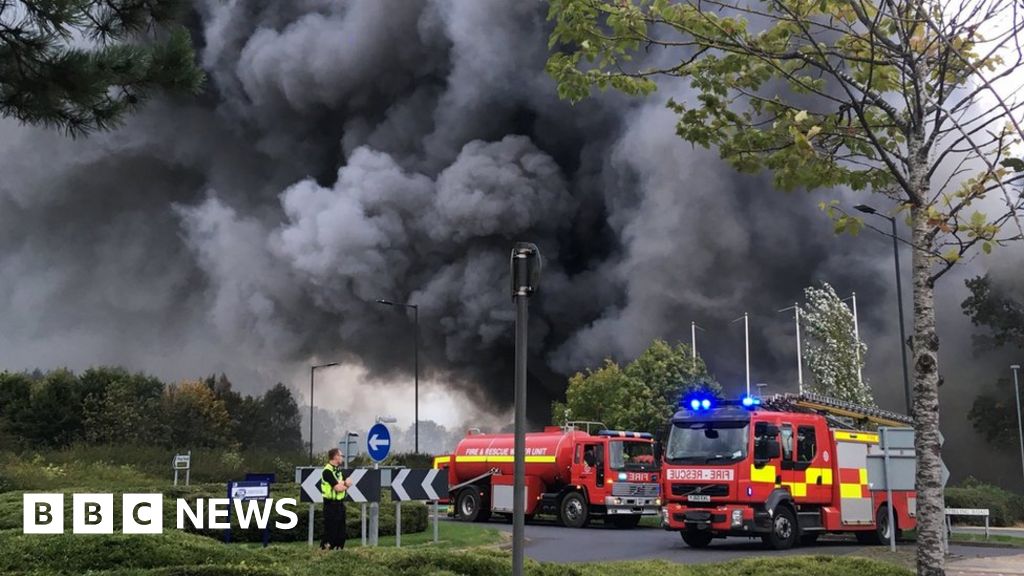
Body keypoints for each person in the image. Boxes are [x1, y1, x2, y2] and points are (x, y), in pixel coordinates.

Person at [320, 448, 353, 550]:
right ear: (335, 457)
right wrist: (344, 484)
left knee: (341, 531)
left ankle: (338, 550)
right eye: (341, 456)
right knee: (331, 531)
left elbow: (349, 481)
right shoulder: (327, 471)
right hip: (330, 505)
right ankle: (325, 549)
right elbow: (338, 488)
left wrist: (344, 484)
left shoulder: (338, 471)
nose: (342, 458)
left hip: (340, 505)